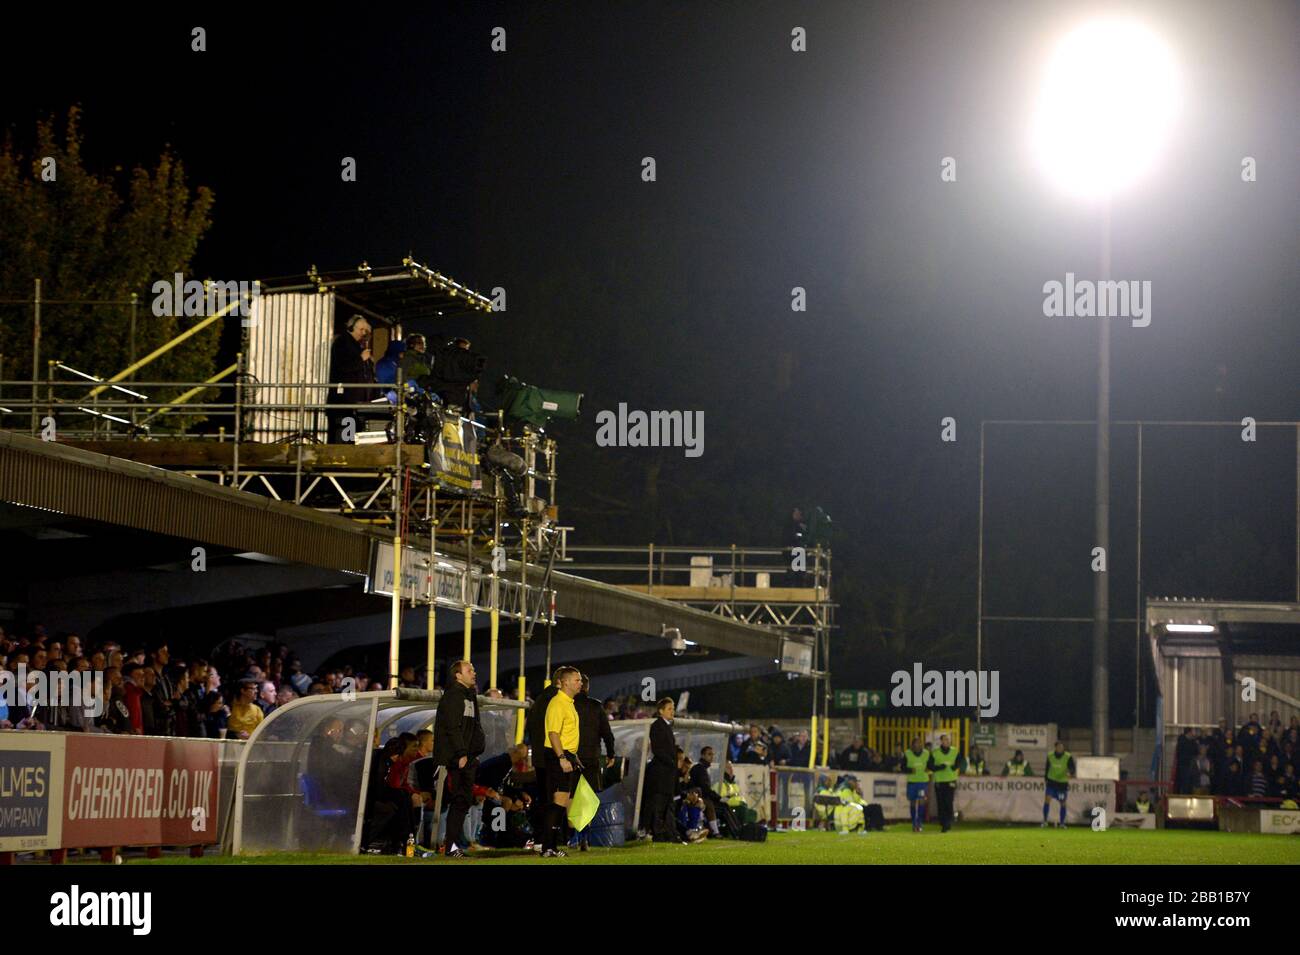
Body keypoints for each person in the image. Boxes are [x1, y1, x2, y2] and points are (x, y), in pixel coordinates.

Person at [432, 660, 485, 858]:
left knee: (463, 801)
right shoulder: (454, 696)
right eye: (469, 670)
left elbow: (472, 727)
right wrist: (462, 753)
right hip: (458, 757)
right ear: (457, 675)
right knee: (459, 799)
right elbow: (452, 728)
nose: (474, 672)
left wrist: (474, 751)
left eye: (474, 669)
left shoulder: (469, 696)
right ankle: (450, 846)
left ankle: (452, 845)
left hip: (468, 756)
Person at [540, 666, 583, 858]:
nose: (580, 683)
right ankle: (548, 847)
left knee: (562, 801)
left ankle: (550, 846)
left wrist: (573, 756)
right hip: (558, 755)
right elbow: (553, 734)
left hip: (567, 754)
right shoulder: (557, 703)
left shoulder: (569, 703)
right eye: (577, 680)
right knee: (558, 802)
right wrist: (562, 758)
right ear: (564, 682)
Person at [573, 674, 617, 851]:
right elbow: (607, 733)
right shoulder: (596, 706)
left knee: (570, 797)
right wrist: (611, 754)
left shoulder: (568, 704)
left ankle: (571, 837)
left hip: (571, 757)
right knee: (587, 799)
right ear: (587, 687)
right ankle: (584, 837)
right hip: (591, 758)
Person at [326, 314, 374, 443]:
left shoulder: (356, 345)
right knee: (343, 433)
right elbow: (343, 367)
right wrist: (361, 359)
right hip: (344, 399)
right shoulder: (342, 343)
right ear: (351, 328)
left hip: (353, 400)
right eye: (361, 330)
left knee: (351, 433)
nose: (363, 333)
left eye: (365, 331)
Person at [644, 697, 682, 843]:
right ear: (661, 711)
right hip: (661, 773)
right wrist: (672, 762)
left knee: (668, 805)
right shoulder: (657, 726)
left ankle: (669, 834)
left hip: (667, 773)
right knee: (659, 806)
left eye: (673, 709)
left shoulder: (666, 726)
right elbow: (658, 750)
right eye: (669, 709)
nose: (673, 711)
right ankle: (659, 834)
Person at [930, 733, 966, 833]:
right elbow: (930, 766)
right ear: (941, 741)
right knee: (941, 803)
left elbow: (961, 761)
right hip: (939, 781)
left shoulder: (954, 751)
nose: (947, 741)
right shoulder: (935, 752)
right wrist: (939, 767)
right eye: (945, 740)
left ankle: (947, 822)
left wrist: (955, 767)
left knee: (949, 801)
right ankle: (943, 822)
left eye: (948, 740)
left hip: (951, 780)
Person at [1042, 740, 1075, 828]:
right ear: (1055, 747)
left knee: (1062, 802)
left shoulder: (1068, 756)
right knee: (1047, 800)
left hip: (1062, 784)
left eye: (1062, 747)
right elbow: (1047, 768)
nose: (1061, 748)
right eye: (1059, 747)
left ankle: (1062, 823)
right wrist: (1045, 778)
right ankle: (1045, 821)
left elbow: (1072, 768)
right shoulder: (1050, 756)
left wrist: (1070, 773)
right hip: (1052, 782)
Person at [903, 736, 931, 833]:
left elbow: (931, 765)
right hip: (912, 782)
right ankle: (914, 823)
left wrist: (930, 769)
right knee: (913, 802)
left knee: (922, 801)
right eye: (915, 743)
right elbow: (902, 767)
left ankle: (919, 823)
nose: (917, 745)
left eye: (919, 743)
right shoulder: (907, 754)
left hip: (922, 782)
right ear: (912, 744)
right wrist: (910, 770)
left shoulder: (926, 754)